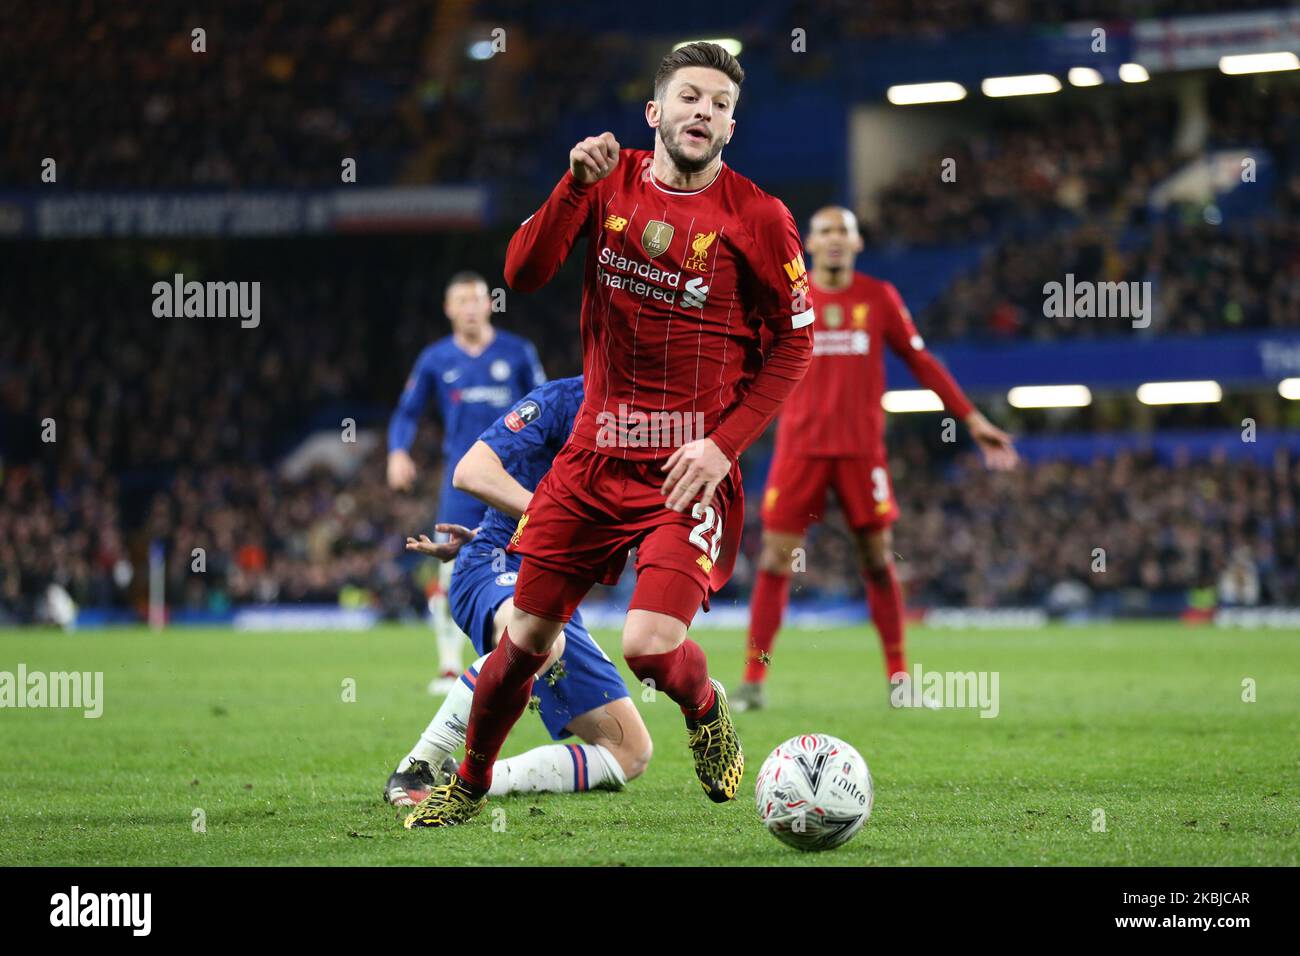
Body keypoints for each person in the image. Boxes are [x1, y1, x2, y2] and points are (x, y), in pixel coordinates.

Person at [405, 41, 815, 828]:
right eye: (689, 97)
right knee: (523, 641)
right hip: (592, 455)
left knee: (650, 647)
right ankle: (470, 783)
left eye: (720, 104)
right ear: (655, 113)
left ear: (732, 126)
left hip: (687, 466)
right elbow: (522, 275)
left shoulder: (759, 219)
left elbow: (796, 343)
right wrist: (570, 187)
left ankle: (705, 707)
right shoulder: (606, 181)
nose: (704, 111)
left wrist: (722, 445)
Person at [738, 207, 1018, 711]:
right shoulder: (787, 300)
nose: (835, 239)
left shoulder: (879, 297)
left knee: (877, 559)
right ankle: (754, 680)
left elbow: (921, 360)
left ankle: (897, 678)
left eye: (844, 230)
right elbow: (743, 358)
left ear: (859, 241)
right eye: (825, 232)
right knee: (775, 559)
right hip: (799, 450)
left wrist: (971, 418)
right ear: (809, 245)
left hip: (862, 454)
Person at [385, 377, 653, 814]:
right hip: (499, 561)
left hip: (559, 592)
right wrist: (550, 522)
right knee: (538, 638)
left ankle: (477, 780)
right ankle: (419, 767)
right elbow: (470, 471)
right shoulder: (563, 400)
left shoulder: (658, 421)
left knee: (629, 752)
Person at [387, 271, 546, 694]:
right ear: (449, 309)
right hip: (462, 480)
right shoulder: (436, 359)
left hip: (514, 477)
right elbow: (406, 412)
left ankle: (530, 652)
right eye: (462, 300)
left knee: (528, 558)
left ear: (490, 304)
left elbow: (547, 405)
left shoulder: (517, 353)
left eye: (477, 299)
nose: (471, 307)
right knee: (452, 564)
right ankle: (447, 665)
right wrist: (398, 451)